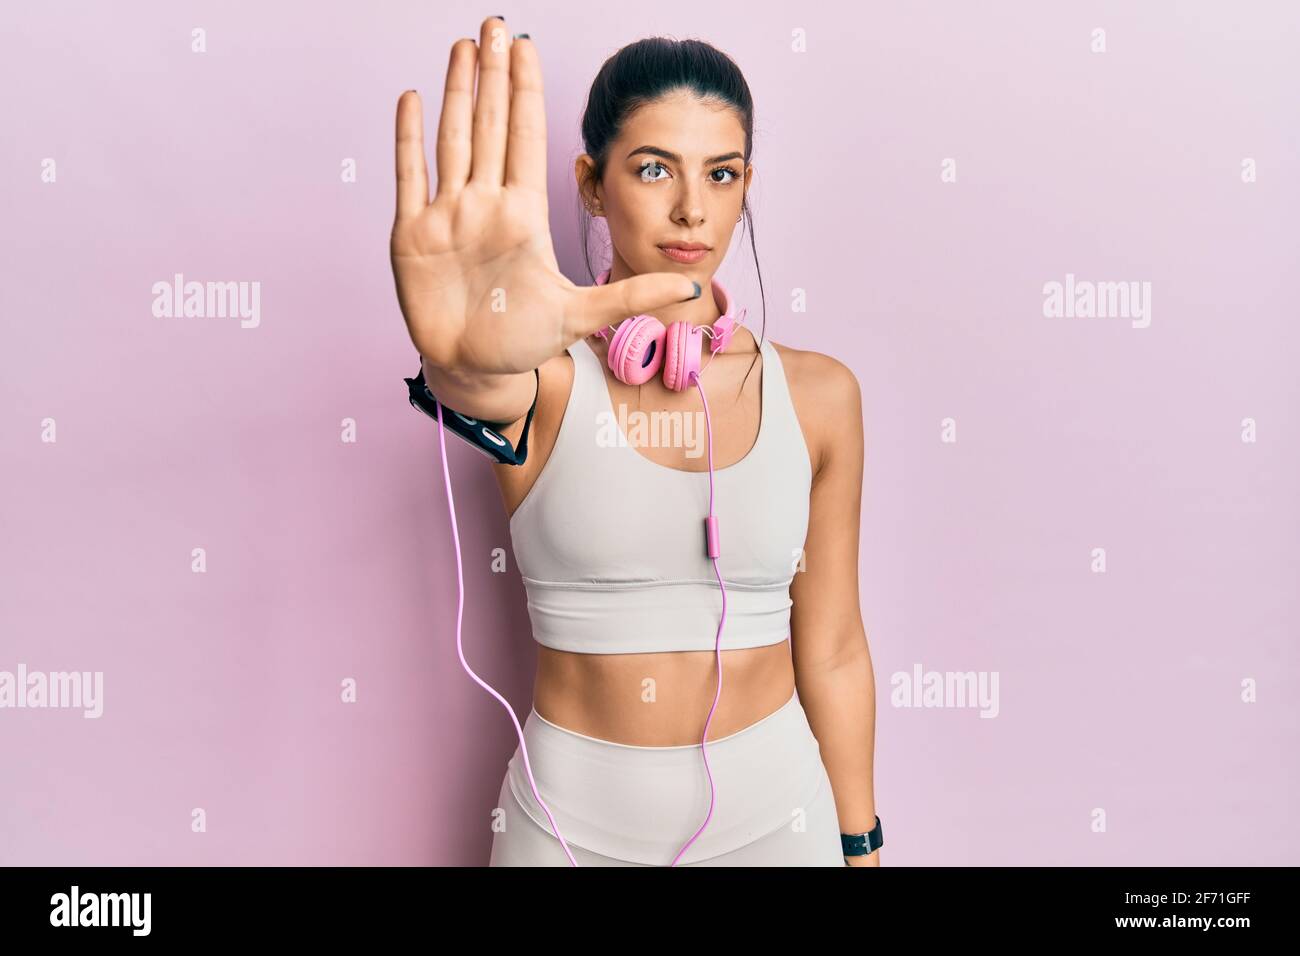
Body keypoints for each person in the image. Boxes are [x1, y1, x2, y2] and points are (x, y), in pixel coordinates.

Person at [390, 16, 880, 867]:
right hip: (567, 832)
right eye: (654, 168)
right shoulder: (541, 377)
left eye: (720, 175)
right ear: (589, 182)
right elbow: (477, 386)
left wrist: (862, 843)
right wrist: (459, 347)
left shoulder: (822, 396)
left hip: (780, 826)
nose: (692, 207)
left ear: (745, 185)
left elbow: (833, 648)